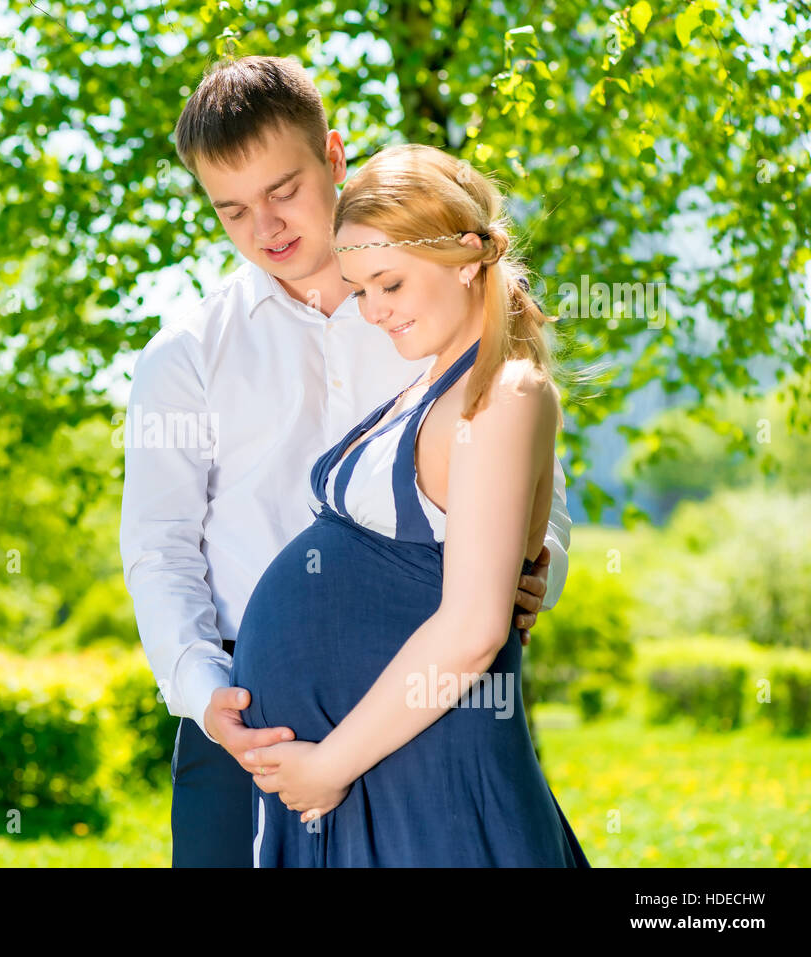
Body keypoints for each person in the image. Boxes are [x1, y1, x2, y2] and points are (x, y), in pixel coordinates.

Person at [118, 56, 573, 868]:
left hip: (424, 720)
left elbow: (535, 485)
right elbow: (159, 550)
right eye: (232, 210)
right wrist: (203, 692)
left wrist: (536, 570)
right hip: (248, 738)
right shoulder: (184, 355)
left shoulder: (421, 305)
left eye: (283, 190)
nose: (266, 227)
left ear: (333, 157)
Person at [229, 142, 589, 867]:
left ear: (465, 258)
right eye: (360, 290)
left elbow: (472, 628)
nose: (373, 311)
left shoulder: (507, 391)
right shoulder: (422, 388)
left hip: (421, 772)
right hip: (373, 763)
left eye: (388, 282)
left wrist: (328, 766)